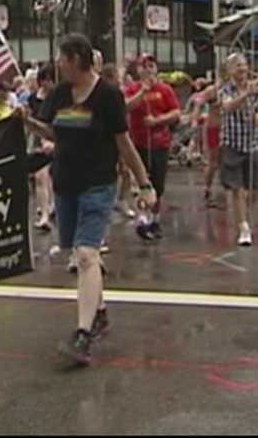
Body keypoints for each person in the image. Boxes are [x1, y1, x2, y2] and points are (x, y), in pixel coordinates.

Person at [17, 34, 156, 366]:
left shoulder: (108, 96)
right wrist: (28, 123)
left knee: (86, 254)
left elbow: (124, 144)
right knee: (77, 253)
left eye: (61, 58)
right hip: (65, 182)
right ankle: (100, 311)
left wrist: (144, 184)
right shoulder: (61, 94)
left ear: (77, 59)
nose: (56, 64)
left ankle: (82, 335)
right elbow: (54, 132)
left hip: (98, 184)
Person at [124, 53, 181, 241]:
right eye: (144, 66)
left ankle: (155, 219)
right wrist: (143, 91)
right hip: (139, 143)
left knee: (158, 184)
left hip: (160, 143)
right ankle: (143, 218)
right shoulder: (132, 89)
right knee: (143, 183)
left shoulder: (165, 90)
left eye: (151, 65)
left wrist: (157, 120)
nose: (148, 69)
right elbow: (126, 107)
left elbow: (175, 112)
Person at [218, 54, 258, 247]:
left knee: (254, 187)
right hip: (233, 144)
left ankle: (246, 215)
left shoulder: (256, 92)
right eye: (238, 66)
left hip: (253, 144)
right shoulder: (225, 89)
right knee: (237, 189)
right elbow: (228, 106)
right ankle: (243, 226)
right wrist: (246, 94)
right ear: (230, 70)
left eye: (244, 65)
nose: (242, 69)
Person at [27, 65, 57, 232]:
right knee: (40, 176)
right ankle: (44, 213)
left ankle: (52, 206)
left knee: (54, 177)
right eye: (44, 80)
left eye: (50, 80)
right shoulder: (33, 98)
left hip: (56, 138)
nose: (47, 84)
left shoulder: (58, 98)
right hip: (38, 138)